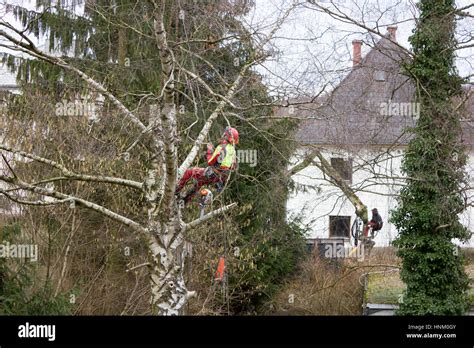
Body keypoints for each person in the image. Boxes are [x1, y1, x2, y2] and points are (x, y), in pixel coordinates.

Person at [176, 126, 239, 203]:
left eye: (224, 134)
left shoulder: (221, 148)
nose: (223, 135)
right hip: (220, 179)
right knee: (199, 182)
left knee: (189, 172)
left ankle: (176, 191)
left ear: (227, 136)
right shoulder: (233, 151)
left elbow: (210, 162)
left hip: (213, 174)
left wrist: (209, 150)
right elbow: (233, 167)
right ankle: (185, 200)